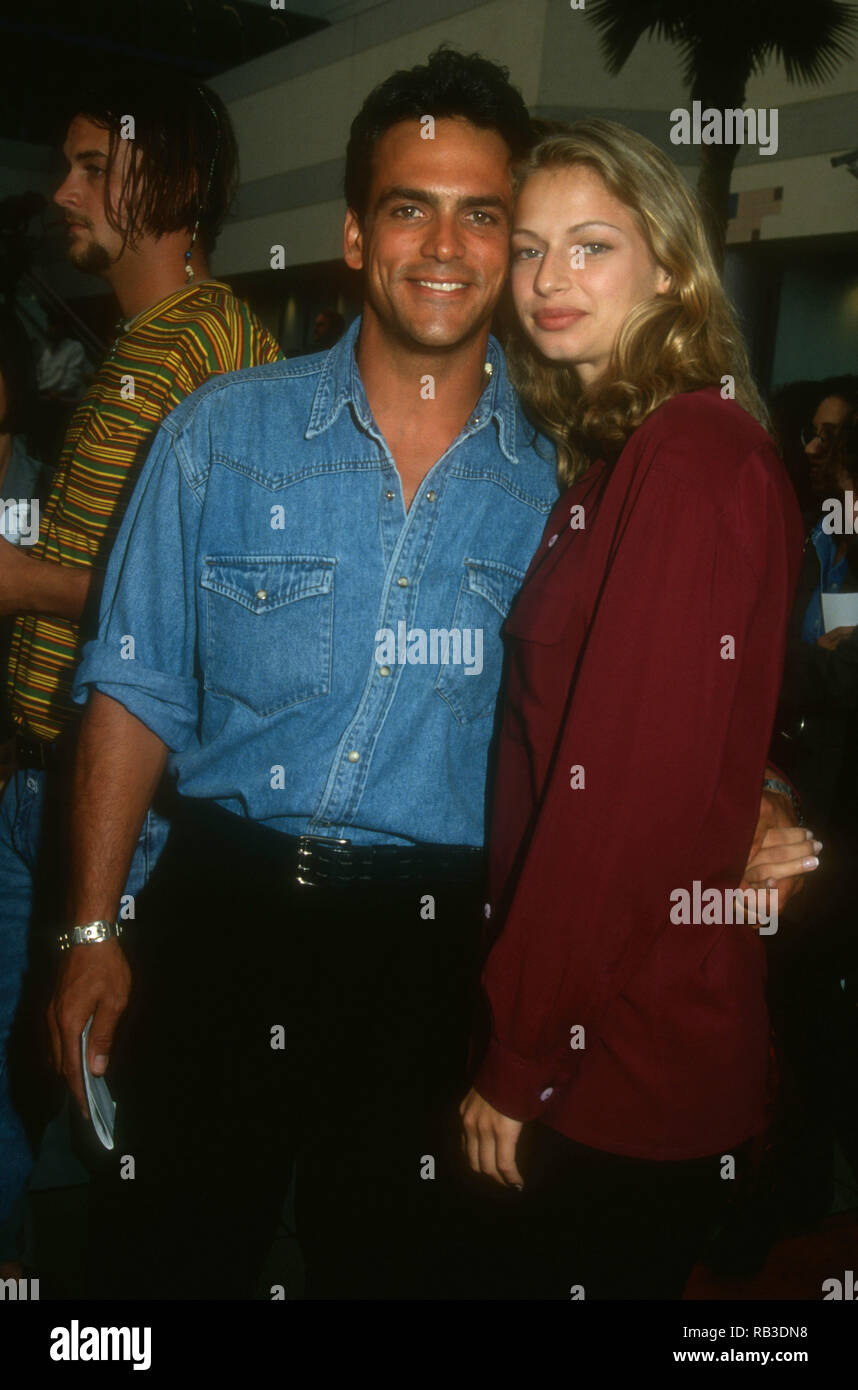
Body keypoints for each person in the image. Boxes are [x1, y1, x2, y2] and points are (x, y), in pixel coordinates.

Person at [50, 51, 812, 1302]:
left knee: (395, 1279)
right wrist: (89, 926)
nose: (447, 244)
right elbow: (134, 687)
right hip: (221, 918)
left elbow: (632, 706)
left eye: (485, 215)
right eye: (411, 205)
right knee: (159, 1268)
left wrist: (759, 795)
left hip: (436, 956)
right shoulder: (218, 434)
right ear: (357, 233)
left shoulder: (569, 484)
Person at [460, 120, 809, 1301]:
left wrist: (523, 1049)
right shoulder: (619, 455)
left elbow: (619, 805)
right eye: (532, 248)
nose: (551, 279)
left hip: (618, 1056)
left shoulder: (690, 453)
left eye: (593, 246)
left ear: (668, 264)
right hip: (610, 1035)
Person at [0, 67, 280, 1276]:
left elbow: (221, 600)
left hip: (116, 801)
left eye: (86, 166)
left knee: (99, 1099)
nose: (62, 190)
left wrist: (24, 585)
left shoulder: (215, 346)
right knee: (27, 1069)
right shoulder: (139, 346)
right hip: (38, 780)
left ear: (159, 178)